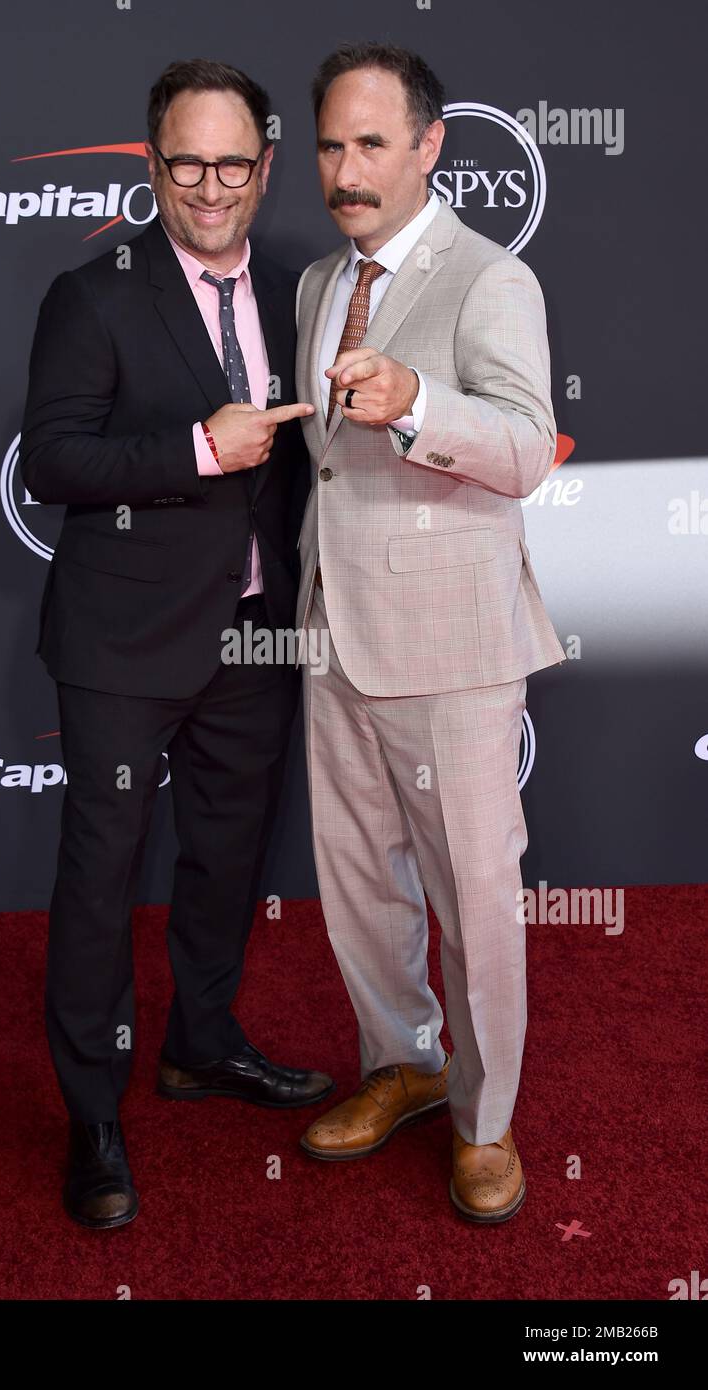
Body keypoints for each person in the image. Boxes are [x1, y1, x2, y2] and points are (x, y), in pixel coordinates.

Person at [19, 57, 331, 1231]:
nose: (211, 186)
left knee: (226, 861)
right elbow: (52, 460)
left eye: (233, 164)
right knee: (101, 883)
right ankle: (91, 1114)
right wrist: (201, 450)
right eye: (187, 163)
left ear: (264, 168)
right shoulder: (93, 292)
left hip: (252, 636)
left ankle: (203, 1043)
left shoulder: (299, 291)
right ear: (154, 165)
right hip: (121, 643)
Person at [293, 42, 565, 1223]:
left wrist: (417, 404)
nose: (346, 170)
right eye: (329, 145)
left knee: (475, 897)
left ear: (429, 147)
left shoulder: (489, 279)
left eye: (371, 144)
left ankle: (485, 1116)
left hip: (452, 646)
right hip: (333, 635)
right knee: (361, 890)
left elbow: (522, 451)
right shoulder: (314, 282)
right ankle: (404, 1061)